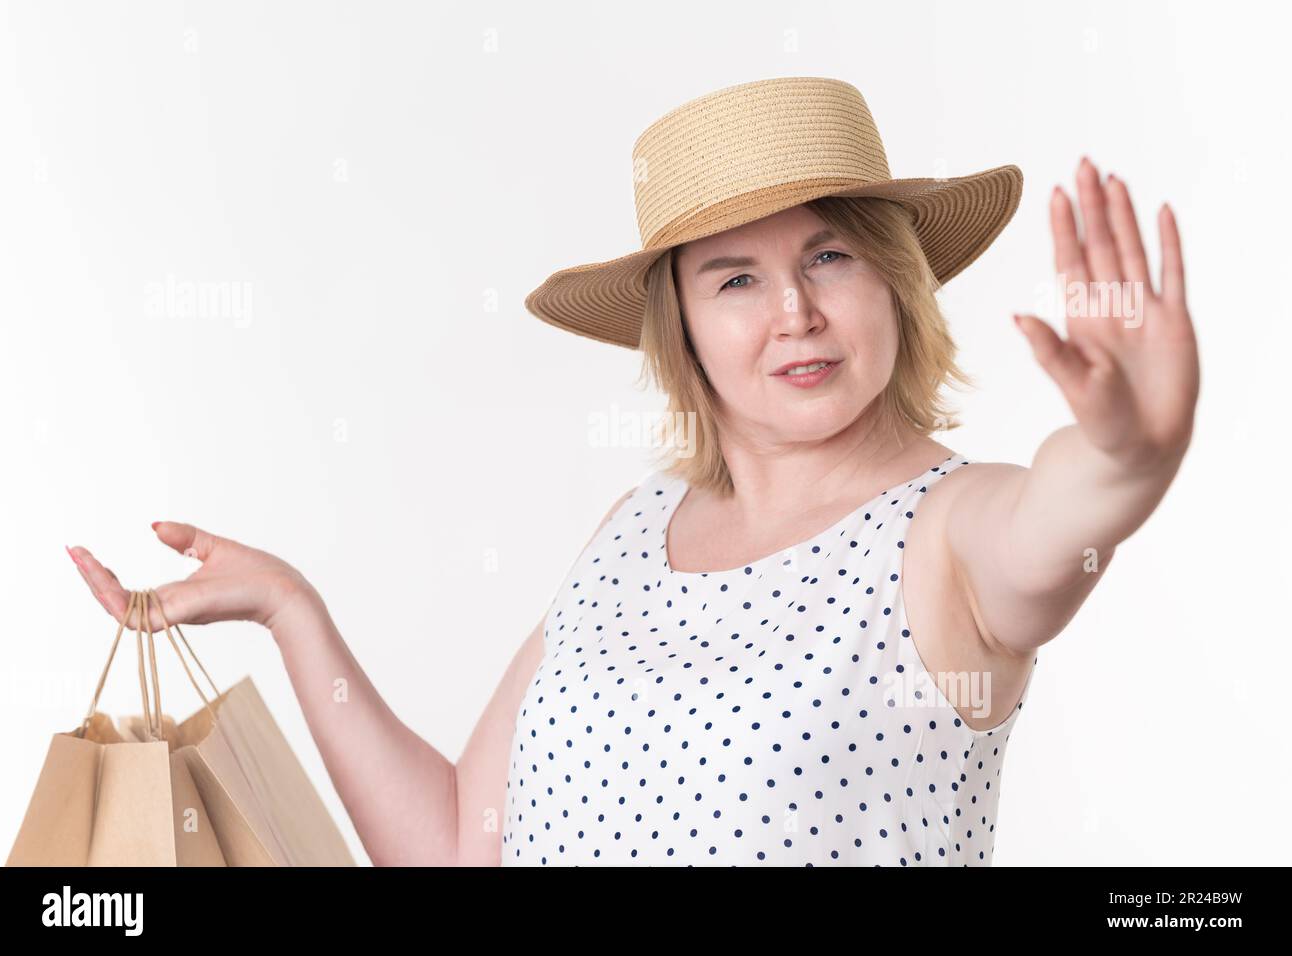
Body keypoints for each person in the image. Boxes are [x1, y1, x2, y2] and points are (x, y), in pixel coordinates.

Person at [67, 77, 1198, 866]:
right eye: (735, 279)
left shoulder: (952, 528)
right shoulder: (632, 524)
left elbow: (1063, 514)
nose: (795, 310)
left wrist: (1128, 450)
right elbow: (462, 843)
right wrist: (289, 608)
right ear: (683, 329)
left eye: (829, 253)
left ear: (895, 279)